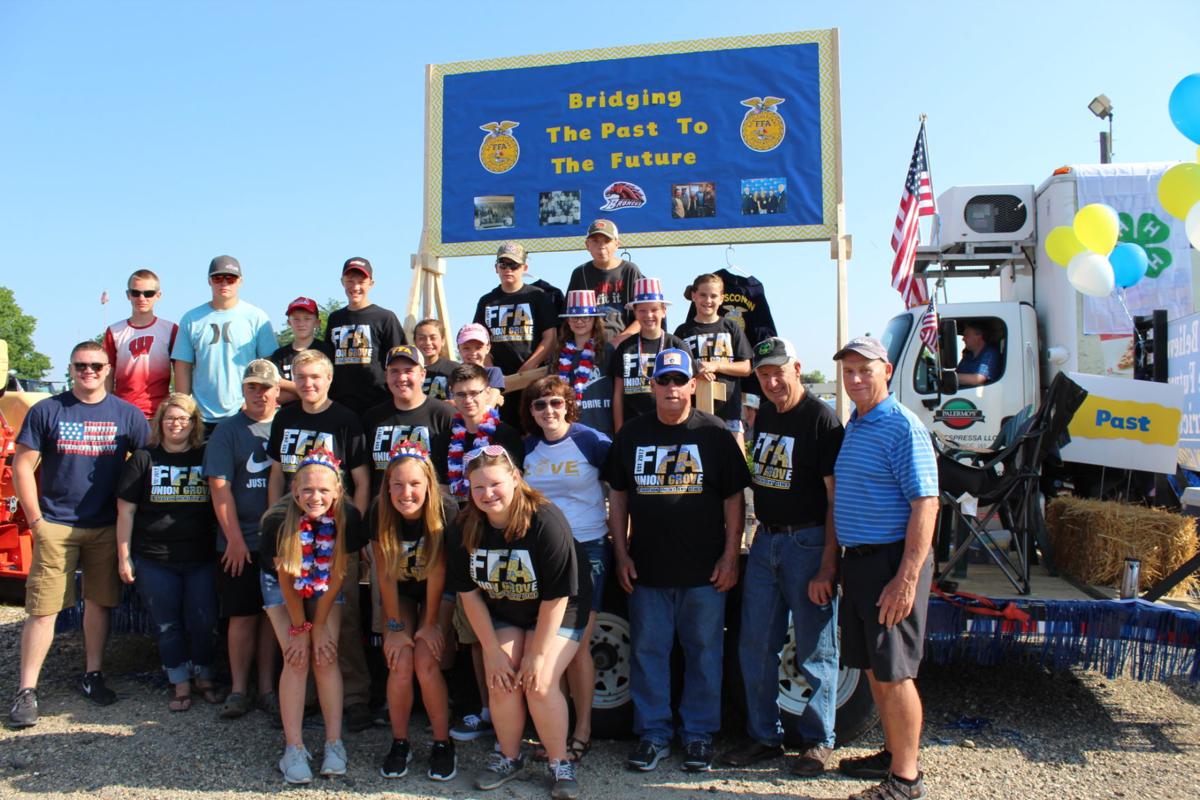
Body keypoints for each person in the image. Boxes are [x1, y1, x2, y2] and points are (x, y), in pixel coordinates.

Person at [606, 348, 750, 773]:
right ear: (652, 386)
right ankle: (653, 735)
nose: (671, 388)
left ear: (693, 384)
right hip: (647, 569)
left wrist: (730, 555)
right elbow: (617, 497)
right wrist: (620, 552)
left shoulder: (717, 434)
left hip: (705, 572)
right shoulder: (631, 435)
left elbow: (734, 500)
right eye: (663, 380)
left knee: (704, 654)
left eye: (678, 380)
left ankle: (699, 736)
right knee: (648, 654)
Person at [9, 341, 150, 728]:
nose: (88, 371)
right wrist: (36, 520)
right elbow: (23, 465)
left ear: (109, 369)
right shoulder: (48, 410)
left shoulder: (127, 415)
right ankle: (26, 690)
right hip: (57, 523)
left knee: (99, 604)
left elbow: (149, 462)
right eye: (80, 365)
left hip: (105, 525)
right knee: (43, 608)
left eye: (95, 365)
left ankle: (92, 674)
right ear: (70, 368)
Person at [721, 337, 843, 776]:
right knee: (755, 645)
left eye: (779, 371)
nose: (772, 381)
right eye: (764, 373)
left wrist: (829, 565)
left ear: (797, 367)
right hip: (765, 541)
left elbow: (835, 502)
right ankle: (763, 738)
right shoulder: (767, 411)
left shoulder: (822, 421)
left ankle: (818, 740)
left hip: (807, 544)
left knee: (816, 649)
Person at [447, 445, 590, 799]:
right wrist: (493, 652)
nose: (486, 494)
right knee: (502, 678)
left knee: (539, 681)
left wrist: (538, 654)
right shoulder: (464, 526)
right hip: (505, 607)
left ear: (515, 478)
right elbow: (469, 594)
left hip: (561, 607)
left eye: (494, 484)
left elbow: (556, 598)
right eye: (477, 487)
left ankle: (559, 763)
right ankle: (509, 756)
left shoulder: (545, 520)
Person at [832, 336, 939, 800]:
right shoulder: (857, 423)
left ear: (887, 370)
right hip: (861, 563)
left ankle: (906, 780)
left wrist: (906, 578)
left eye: (865, 370)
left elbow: (926, 503)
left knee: (895, 673)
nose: (855, 379)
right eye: (849, 370)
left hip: (890, 564)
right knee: (876, 669)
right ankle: (892, 753)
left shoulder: (901, 426)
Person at [265, 348, 374, 732]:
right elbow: (277, 474)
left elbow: (361, 481)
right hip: (292, 529)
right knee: (299, 616)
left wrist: (353, 530)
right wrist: (274, 520)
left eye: (316, 377)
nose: (308, 384)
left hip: (335, 530)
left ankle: (356, 697)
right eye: (302, 377)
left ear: (329, 380)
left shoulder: (345, 419)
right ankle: (306, 697)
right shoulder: (285, 417)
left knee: (340, 619)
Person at [259, 449, 367, 784]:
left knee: (325, 654)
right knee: (297, 657)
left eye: (323, 490)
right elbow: (285, 578)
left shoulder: (347, 516)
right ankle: (293, 748)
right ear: (294, 490)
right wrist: (300, 628)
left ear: (337, 491)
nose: (315, 497)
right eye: (307, 490)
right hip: (282, 585)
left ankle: (334, 744)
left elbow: (337, 573)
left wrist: (318, 626)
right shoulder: (278, 520)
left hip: (325, 582)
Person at [521, 376, 611, 763]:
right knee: (545, 643)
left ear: (569, 405)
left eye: (555, 403)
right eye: (540, 405)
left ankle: (582, 730)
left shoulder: (592, 441)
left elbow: (618, 490)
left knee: (575, 648)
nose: (549, 411)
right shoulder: (527, 447)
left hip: (588, 547)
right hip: (543, 554)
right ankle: (551, 730)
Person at [115, 393, 222, 711]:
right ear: (160, 423)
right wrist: (124, 555)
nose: (177, 424)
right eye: (170, 418)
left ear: (194, 424)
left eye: (184, 419)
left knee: (204, 621)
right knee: (167, 624)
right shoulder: (144, 458)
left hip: (200, 557)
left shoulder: (205, 456)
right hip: (154, 558)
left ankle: (205, 676)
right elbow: (126, 511)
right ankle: (180, 683)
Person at [443, 363, 524, 743]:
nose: (469, 400)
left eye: (475, 393)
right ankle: (486, 708)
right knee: (473, 630)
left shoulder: (506, 435)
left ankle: (512, 706)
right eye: (461, 395)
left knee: (506, 624)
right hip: (464, 537)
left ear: (488, 393)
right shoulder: (449, 433)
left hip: (503, 539)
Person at [372, 441, 458, 782]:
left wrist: (432, 624)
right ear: (388, 485)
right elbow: (385, 573)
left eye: (415, 484)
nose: (406, 493)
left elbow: (438, 570)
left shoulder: (446, 511)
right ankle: (400, 741)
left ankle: (442, 742)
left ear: (428, 485)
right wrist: (394, 627)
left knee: (425, 659)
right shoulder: (380, 510)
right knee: (400, 660)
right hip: (402, 588)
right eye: (398, 484)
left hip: (441, 591)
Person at [205, 359, 284, 720]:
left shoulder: (287, 424)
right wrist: (234, 539)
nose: (259, 393)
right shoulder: (227, 431)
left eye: (266, 387)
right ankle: (239, 689)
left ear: (277, 390)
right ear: (243, 390)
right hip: (239, 541)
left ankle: (267, 688)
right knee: (241, 616)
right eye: (252, 386)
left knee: (272, 616)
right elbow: (220, 490)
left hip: (279, 542)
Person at [172, 255, 277, 437]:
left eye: (231, 278)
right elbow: (182, 366)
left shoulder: (257, 317)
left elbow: (269, 366)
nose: (224, 284)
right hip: (202, 416)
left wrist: (256, 402)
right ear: (209, 281)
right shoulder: (191, 319)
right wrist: (184, 407)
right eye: (218, 278)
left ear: (240, 281)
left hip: (245, 411)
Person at [473, 242, 557, 427]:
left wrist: (529, 367)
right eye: (503, 264)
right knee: (500, 431)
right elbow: (479, 340)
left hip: (533, 378)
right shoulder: (486, 301)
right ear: (496, 268)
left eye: (514, 265)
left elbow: (550, 336)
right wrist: (490, 370)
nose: (508, 269)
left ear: (524, 268)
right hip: (497, 383)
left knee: (534, 429)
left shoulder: (538, 296)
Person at [674, 273, 753, 450]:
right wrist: (696, 370)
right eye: (703, 295)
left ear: (722, 299)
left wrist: (716, 365)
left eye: (713, 296)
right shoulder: (683, 331)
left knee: (735, 466)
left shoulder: (731, 328)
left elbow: (746, 367)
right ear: (694, 296)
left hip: (730, 411)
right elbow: (676, 369)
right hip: (694, 412)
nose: (708, 300)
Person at [364, 345, 454, 492]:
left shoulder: (444, 415)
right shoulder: (372, 418)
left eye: (408, 371)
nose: (401, 378)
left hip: (431, 509)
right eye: (394, 371)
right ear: (386, 375)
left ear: (422, 374)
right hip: (382, 511)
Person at [326, 256, 407, 416]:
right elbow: (327, 360)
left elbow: (399, 358)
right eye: (350, 281)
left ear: (371, 283)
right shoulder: (334, 318)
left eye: (361, 281)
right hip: (340, 403)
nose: (355, 287)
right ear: (342, 282)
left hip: (378, 402)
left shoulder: (385, 317)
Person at [610, 278, 687, 432]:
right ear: (635, 313)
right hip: (632, 428)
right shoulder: (625, 347)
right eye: (642, 310)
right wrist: (619, 431)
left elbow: (688, 389)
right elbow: (618, 394)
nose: (648, 315)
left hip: (670, 425)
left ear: (664, 311)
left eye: (654, 310)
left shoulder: (676, 345)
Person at [103, 268, 178, 419]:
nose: (142, 298)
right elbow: (107, 374)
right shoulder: (114, 331)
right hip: (122, 412)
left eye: (148, 293)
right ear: (128, 295)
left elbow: (181, 371)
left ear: (158, 295)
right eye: (136, 293)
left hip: (159, 414)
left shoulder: (171, 330)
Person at [566, 219, 644, 345]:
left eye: (607, 241)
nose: (601, 246)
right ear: (587, 245)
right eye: (595, 241)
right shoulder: (580, 273)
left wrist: (618, 342)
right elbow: (570, 317)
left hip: (625, 345)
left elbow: (644, 316)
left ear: (617, 244)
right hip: (589, 347)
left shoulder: (630, 270)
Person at [553, 289, 614, 435]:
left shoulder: (607, 350)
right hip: (572, 431)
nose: (579, 321)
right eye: (574, 317)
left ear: (594, 319)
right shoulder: (560, 353)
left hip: (605, 430)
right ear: (568, 320)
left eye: (585, 317)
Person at [270, 296, 333, 405]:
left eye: (307, 318)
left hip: (321, 413)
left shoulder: (327, 351)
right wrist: (310, 391)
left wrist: (282, 383)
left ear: (317, 322)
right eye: (296, 319)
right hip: (289, 417)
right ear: (289, 322)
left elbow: (329, 389)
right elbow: (276, 394)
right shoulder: (280, 355)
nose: (301, 323)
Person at [456, 323, 505, 411]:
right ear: (458, 349)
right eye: (466, 348)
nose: (473, 353)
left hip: (487, 423)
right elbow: (451, 404)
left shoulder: (493, 372)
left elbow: (489, 406)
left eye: (478, 348)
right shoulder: (454, 374)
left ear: (488, 348)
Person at [414, 318, 459, 402]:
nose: (428, 342)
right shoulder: (409, 370)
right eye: (422, 338)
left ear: (442, 341)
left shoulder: (454, 369)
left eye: (433, 338)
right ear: (415, 342)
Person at [955, 322, 1002, 387]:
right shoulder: (968, 356)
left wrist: (949, 377)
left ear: (979, 335)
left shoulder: (990, 353)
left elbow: (978, 379)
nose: (963, 339)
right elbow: (958, 374)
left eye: (966, 335)